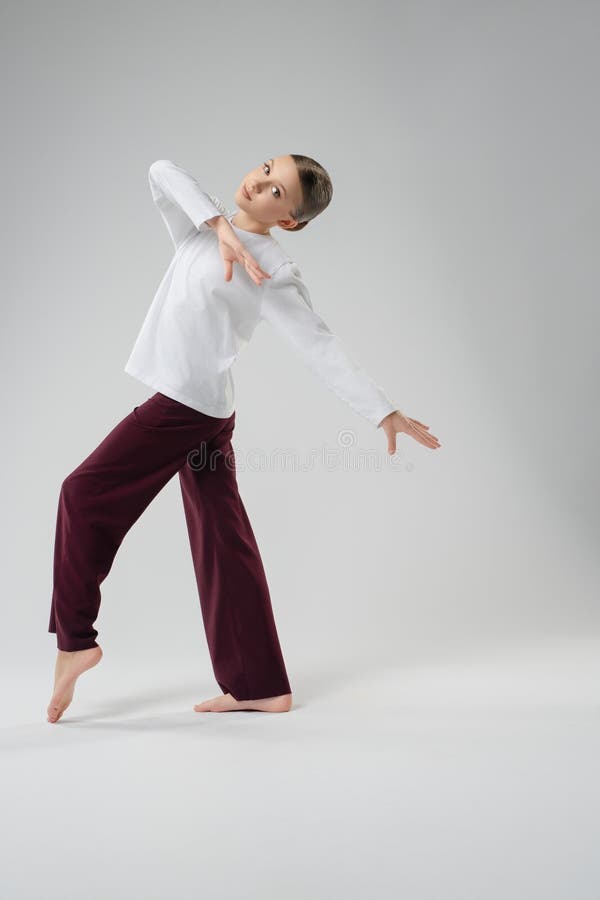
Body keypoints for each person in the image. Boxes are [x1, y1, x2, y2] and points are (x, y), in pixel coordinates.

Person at [46, 154, 441, 724]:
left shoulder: (273, 269)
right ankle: (260, 683)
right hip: (208, 410)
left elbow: (319, 346)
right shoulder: (203, 230)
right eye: (264, 169)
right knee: (224, 542)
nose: (258, 182)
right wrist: (222, 230)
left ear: (290, 220)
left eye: (277, 190)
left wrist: (383, 411)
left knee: (82, 495)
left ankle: (75, 639)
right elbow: (161, 170)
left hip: (184, 410)